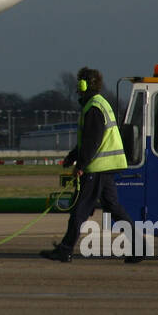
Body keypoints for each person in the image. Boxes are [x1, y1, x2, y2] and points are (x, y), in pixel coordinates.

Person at [40, 67, 141, 262]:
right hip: (106, 166)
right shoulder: (98, 104)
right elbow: (89, 139)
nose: (77, 88)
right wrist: (73, 156)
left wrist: (81, 164)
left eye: (79, 84)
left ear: (84, 85)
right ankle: (139, 247)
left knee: (80, 209)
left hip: (98, 167)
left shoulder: (93, 107)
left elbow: (92, 141)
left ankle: (65, 249)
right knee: (113, 208)